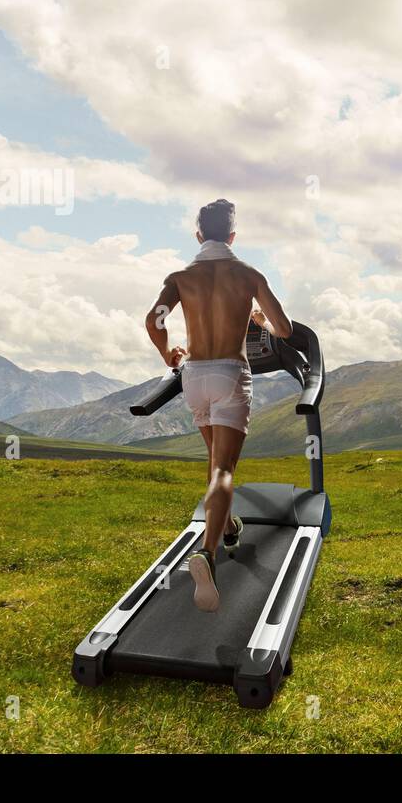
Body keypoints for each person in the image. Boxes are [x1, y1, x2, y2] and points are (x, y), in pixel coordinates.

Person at [144, 198, 292, 612]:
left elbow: (153, 321)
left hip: (194, 375)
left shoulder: (179, 277)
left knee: (213, 463)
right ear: (232, 236)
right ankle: (208, 553)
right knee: (224, 470)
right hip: (230, 372)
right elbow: (285, 328)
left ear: (197, 236)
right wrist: (260, 321)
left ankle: (228, 528)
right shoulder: (248, 274)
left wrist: (167, 355)